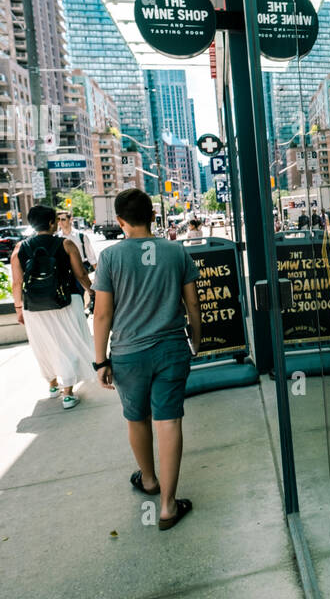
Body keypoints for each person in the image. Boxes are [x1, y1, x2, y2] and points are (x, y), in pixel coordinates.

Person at [93, 188, 203, 532]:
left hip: (128, 354)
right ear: (153, 216)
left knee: (137, 418)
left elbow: (101, 315)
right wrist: (196, 343)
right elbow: (193, 305)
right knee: (169, 421)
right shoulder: (175, 251)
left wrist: (101, 361)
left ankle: (150, 481)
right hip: (171, 349)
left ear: (120, 221)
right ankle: (169, 506)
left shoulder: (110, 258)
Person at [10, 205, 95, 409]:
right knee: (68, 344)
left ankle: (52, 384)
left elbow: (16, 282)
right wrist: (92, 292)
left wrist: (19, 309)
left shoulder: (19, 248)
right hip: (65, 302)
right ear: (51, 223)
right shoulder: (66, 244)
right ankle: (67, 393)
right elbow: (81, 275)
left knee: (44, 345)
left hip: (34, 307)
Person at [57, 210, 97, 313]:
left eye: (63, 219)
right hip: (64, 271)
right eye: (58, 220)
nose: (60, 222)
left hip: (80, 269)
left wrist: (99, 276)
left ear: (70, 220)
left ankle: (81, 313)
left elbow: (91, 258)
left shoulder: (81, 236)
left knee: (79, 294)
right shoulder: (57, 238)